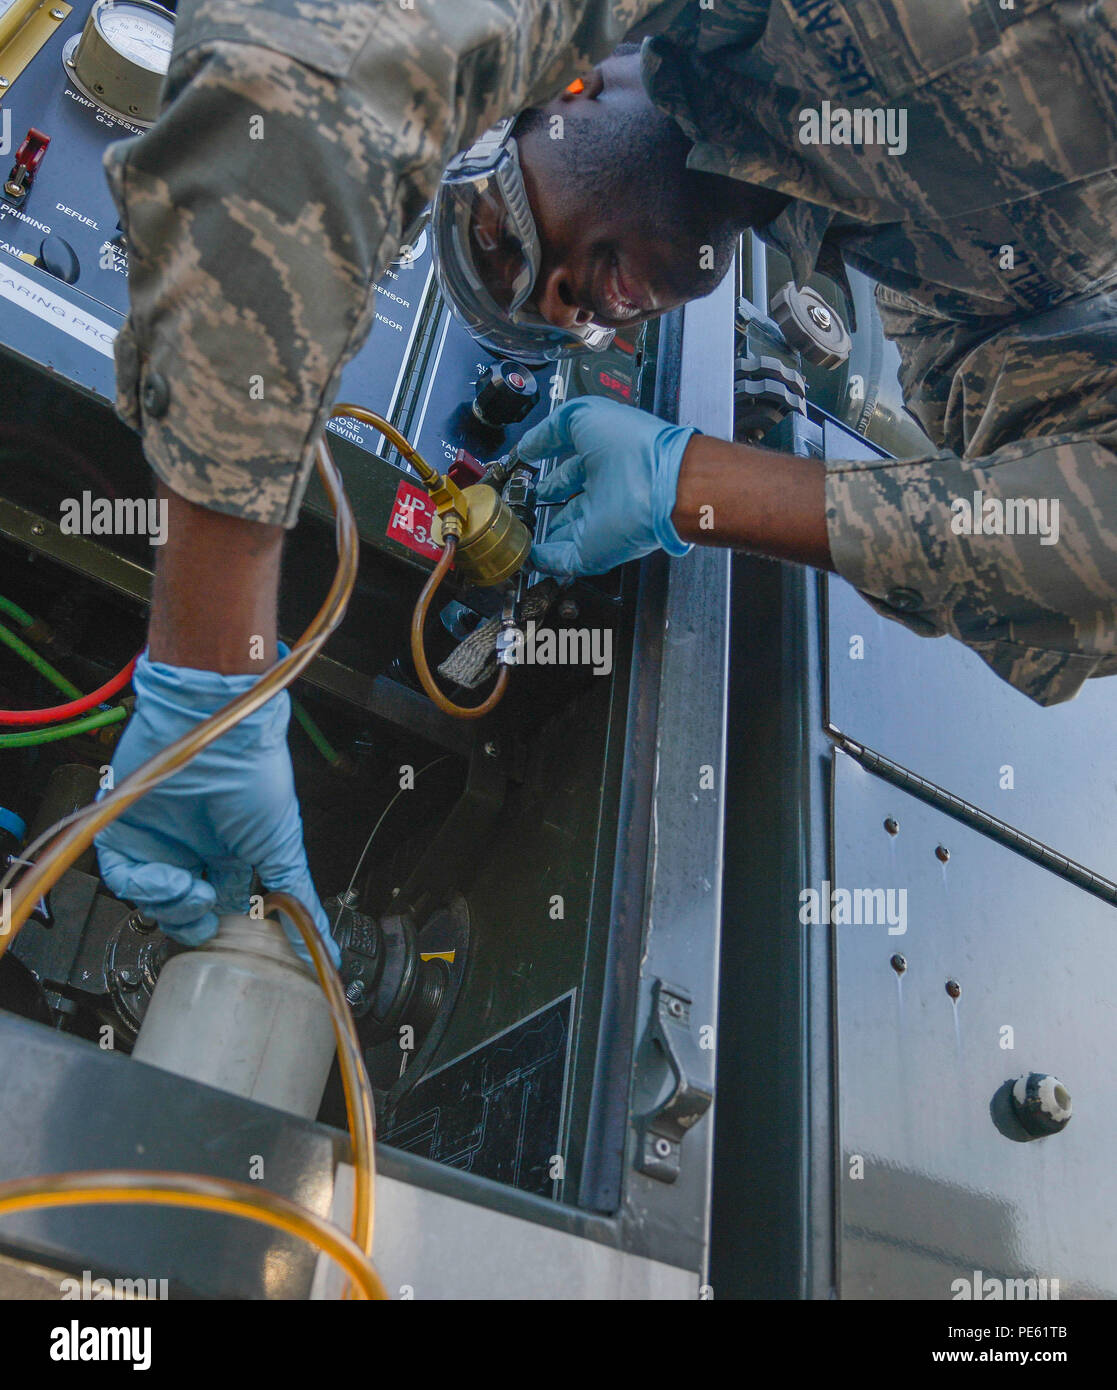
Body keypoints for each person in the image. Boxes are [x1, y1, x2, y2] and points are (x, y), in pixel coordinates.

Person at [95, 0, 1117, 958]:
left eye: (500, 237)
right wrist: (697, 485)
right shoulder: (951, 284)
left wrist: (207, 677)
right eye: (564, 323)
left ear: (559, 85)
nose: (559, 291)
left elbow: (307, 70)